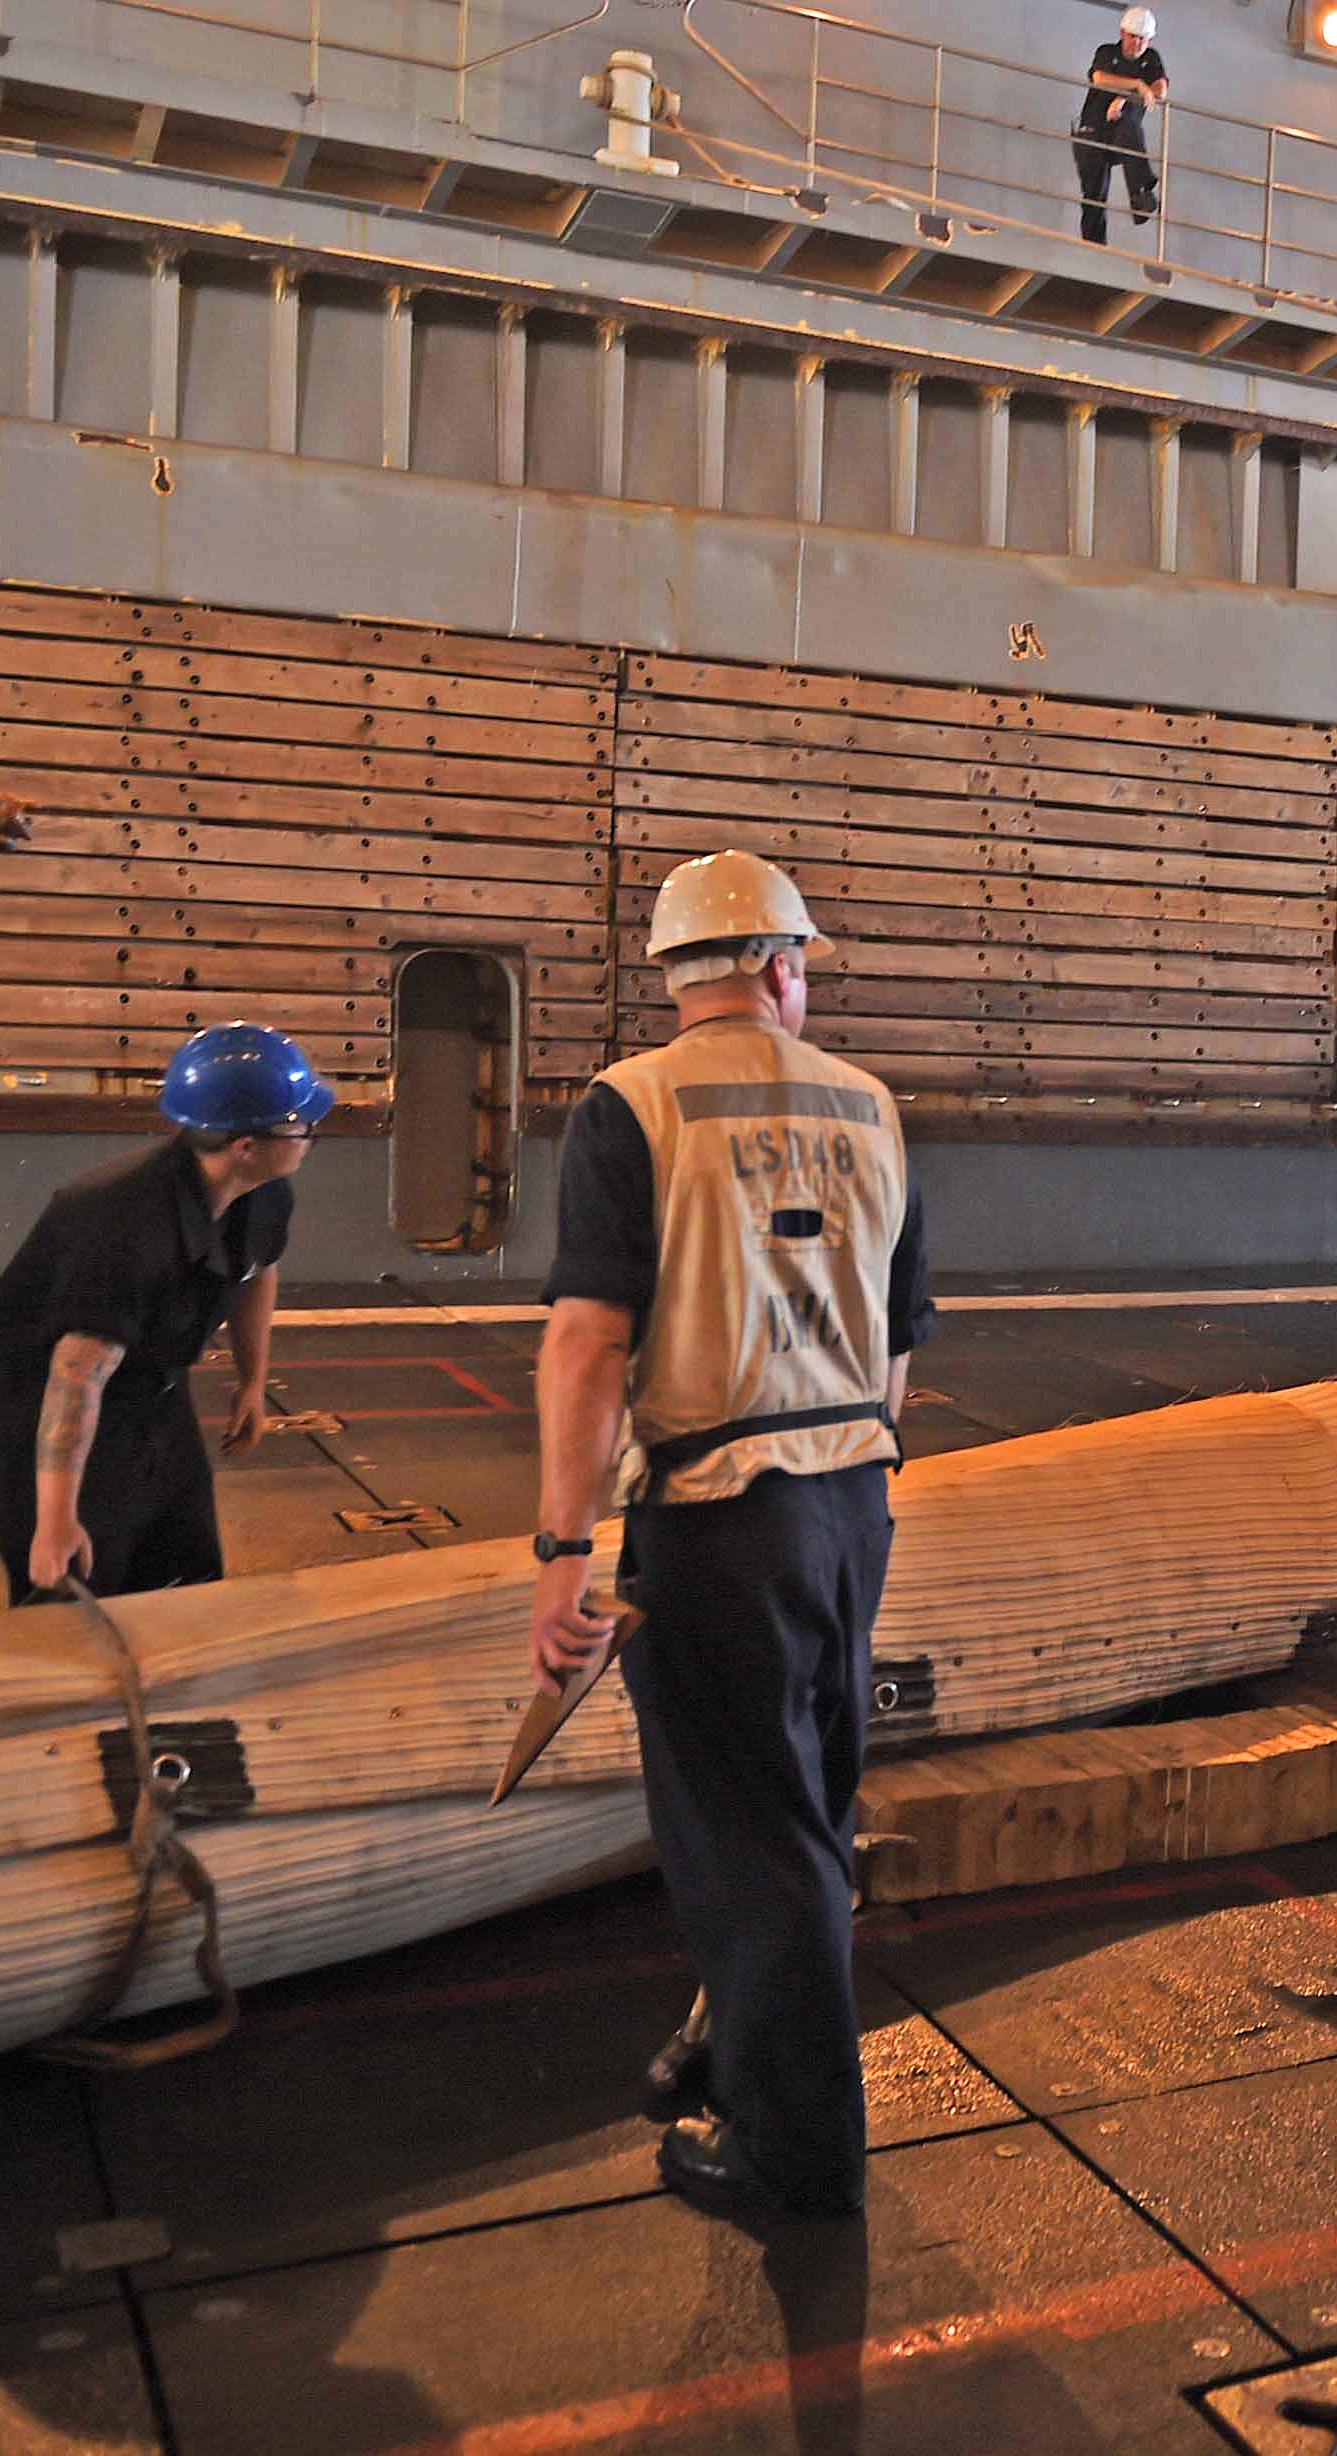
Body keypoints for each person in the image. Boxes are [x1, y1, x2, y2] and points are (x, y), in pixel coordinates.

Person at [526, 849, 931, 2227]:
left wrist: (562, 1550)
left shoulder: (629, 1109)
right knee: (806, 1811)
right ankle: (741, 2047)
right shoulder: (872, 1110)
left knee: (748, 1845)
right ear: (774, 966)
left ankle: (794, 2159)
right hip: (851, 1509)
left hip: (713, 1526)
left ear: (678, 973)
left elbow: (588, 1340)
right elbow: (899, 1352)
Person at [0, 1023, 328, 1605]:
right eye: (298, 1124)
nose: (310, 1134)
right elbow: (75, 1376)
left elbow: (257, 1268)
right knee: (74, 1596)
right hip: (46, 1412)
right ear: (244, 1145)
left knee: (180, 1581)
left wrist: (253, 1381)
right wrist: (56, 1519)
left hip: (152, 1392)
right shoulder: (122, 1222)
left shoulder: (263, 1190)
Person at [1072, 7, 1169, 247]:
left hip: (1121, 135)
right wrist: (1136, 85)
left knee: (1130, 129)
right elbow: (1100, 78)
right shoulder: (1107, 52)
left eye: (1142, 38)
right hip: (1092, 130)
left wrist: (1127, 97)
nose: (1136, 42)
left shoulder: (1151, 59)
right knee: (1094, 193)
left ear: (1149, 39)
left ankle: (1141, 197)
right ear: (1122, 33)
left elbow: (1160, 89)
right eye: (1132, 36)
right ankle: (1094, 247)